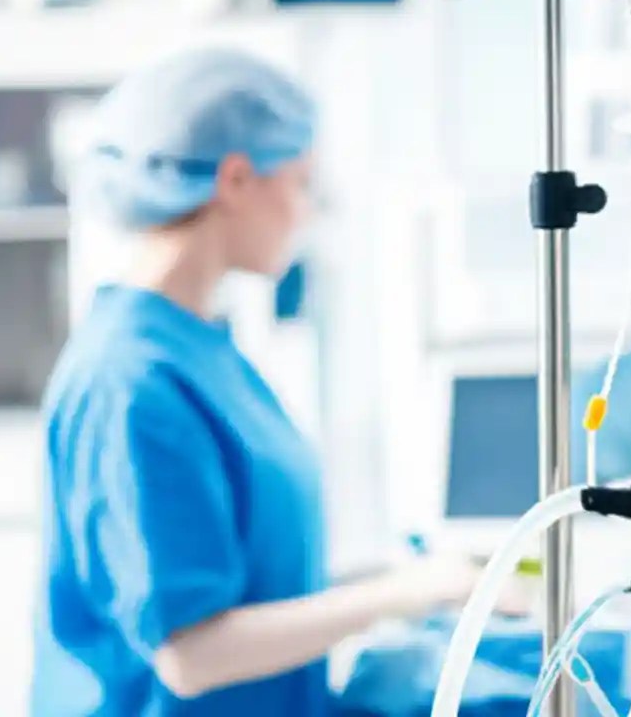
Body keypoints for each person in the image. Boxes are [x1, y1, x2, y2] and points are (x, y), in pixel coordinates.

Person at [31, 47, 483, 716]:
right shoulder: (128, 379)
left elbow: (245, 578)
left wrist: (405, 579)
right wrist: (399, 596)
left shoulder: (196, 346)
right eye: (300, 184)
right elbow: (191, 654)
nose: (304, 213)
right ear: (236, 180)